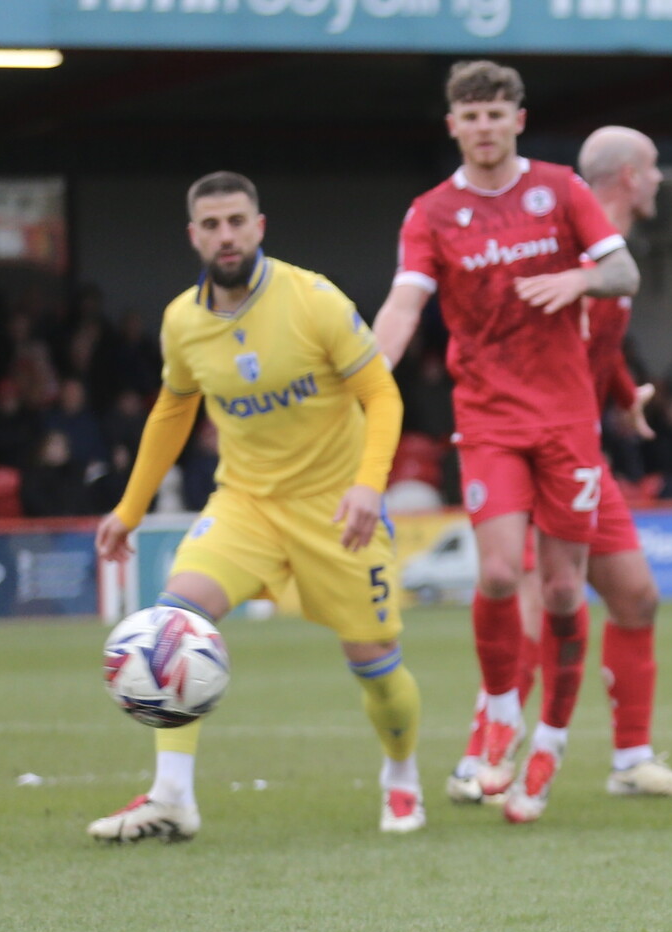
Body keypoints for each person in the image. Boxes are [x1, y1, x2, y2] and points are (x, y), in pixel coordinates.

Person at [88, 171, 423, 842]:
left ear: (259, 226)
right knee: (173, 622)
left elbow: (383, 396)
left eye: (237, 221)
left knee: (376, 666)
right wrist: (129, 507)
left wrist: (368, 483)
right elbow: (172, 411)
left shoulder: (313, 299)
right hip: (244, 503)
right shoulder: (182, 320)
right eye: (211, 225)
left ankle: (402, 775)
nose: (226, 235)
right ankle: (172, 797)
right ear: (193, 236)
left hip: (336, 510)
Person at [372, 60, 640, 822]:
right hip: (488, 417)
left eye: (497, 113)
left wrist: (580, 282)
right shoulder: (430, 212)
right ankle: (499, 707)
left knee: (560, 589)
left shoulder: (560, 189)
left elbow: (623, 268)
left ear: (518, 119)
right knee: (495, 575)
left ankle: (552, 734)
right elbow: (404, 303)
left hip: (566, 420)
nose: (484, 127)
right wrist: (365, 368)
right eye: (471, 115)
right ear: (452, 125)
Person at [444, 124, 672, 813]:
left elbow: (593, 353)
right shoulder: (563, 246)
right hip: (529, 443)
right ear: (627, 176)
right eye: (651, 169)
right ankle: (479, 759)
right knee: (533, 600)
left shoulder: (605, 261)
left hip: (581, 446)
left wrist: (626, 395)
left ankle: (630, 760)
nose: (658, 181)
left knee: (635, 597)